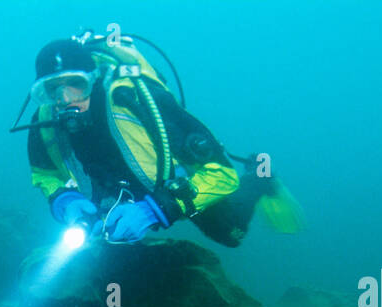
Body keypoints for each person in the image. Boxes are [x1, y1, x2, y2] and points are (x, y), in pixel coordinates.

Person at [17, 33, 303, 247]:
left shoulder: (137, 102)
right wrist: (63, 199)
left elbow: (223, 174)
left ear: (93, 79)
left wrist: (156, 209)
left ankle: (260, 177)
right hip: (112, 196)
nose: (66, 101)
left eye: (76, 85)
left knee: (231, 233)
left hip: (171, 187)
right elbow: (44, 173)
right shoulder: (45, 123)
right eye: (53, 91)